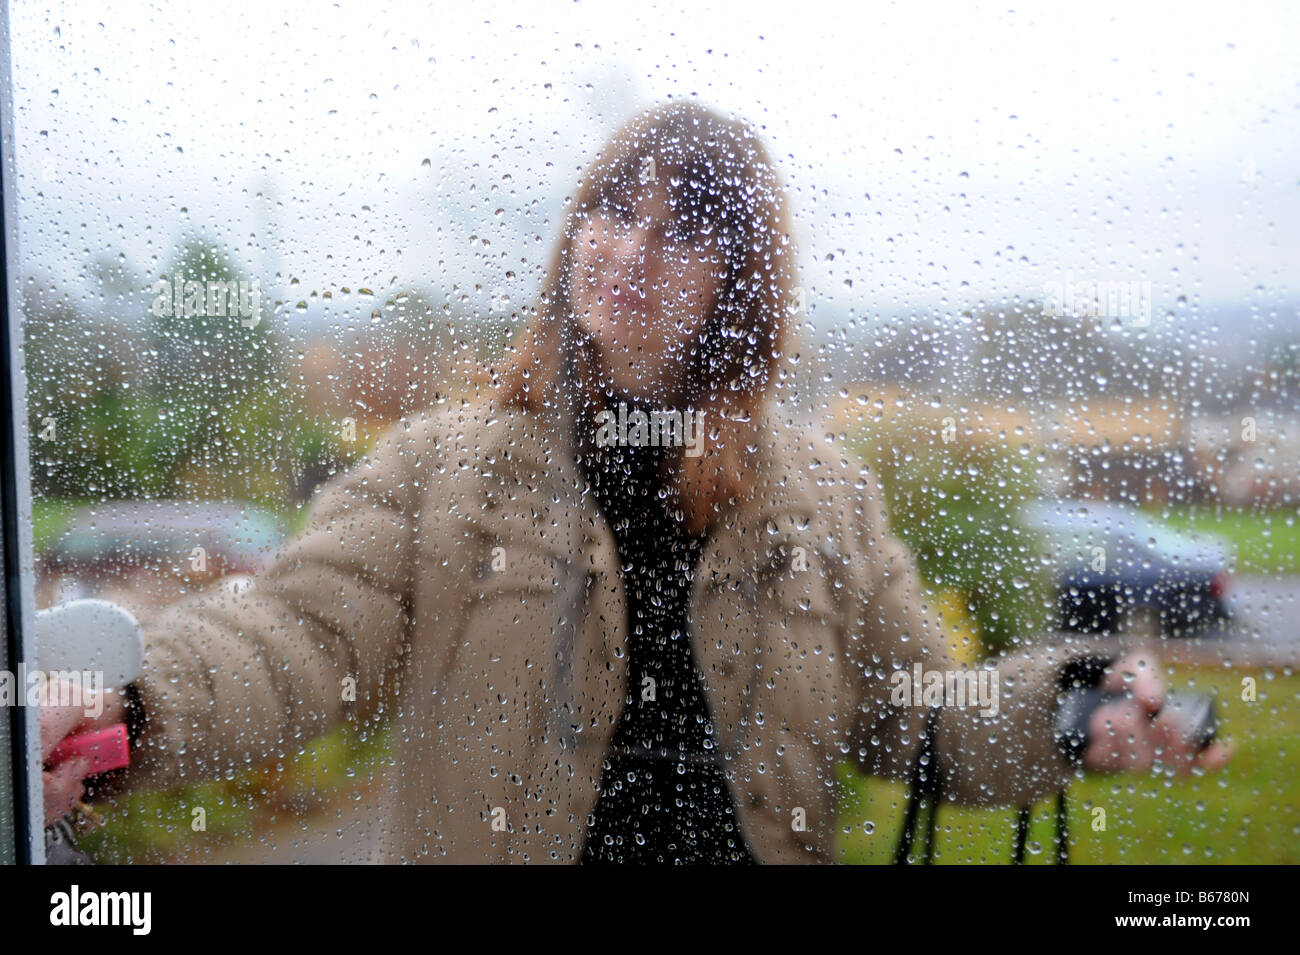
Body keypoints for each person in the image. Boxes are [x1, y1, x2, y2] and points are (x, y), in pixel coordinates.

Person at [42, 100, 1229, 864]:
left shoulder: (826, 498)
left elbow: (914, 706)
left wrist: (1071, 710)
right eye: (612, 210)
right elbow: (294, 638)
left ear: (739, 282)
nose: (627, 250)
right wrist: (124, 712)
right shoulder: (439, 468)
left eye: (679, 230)